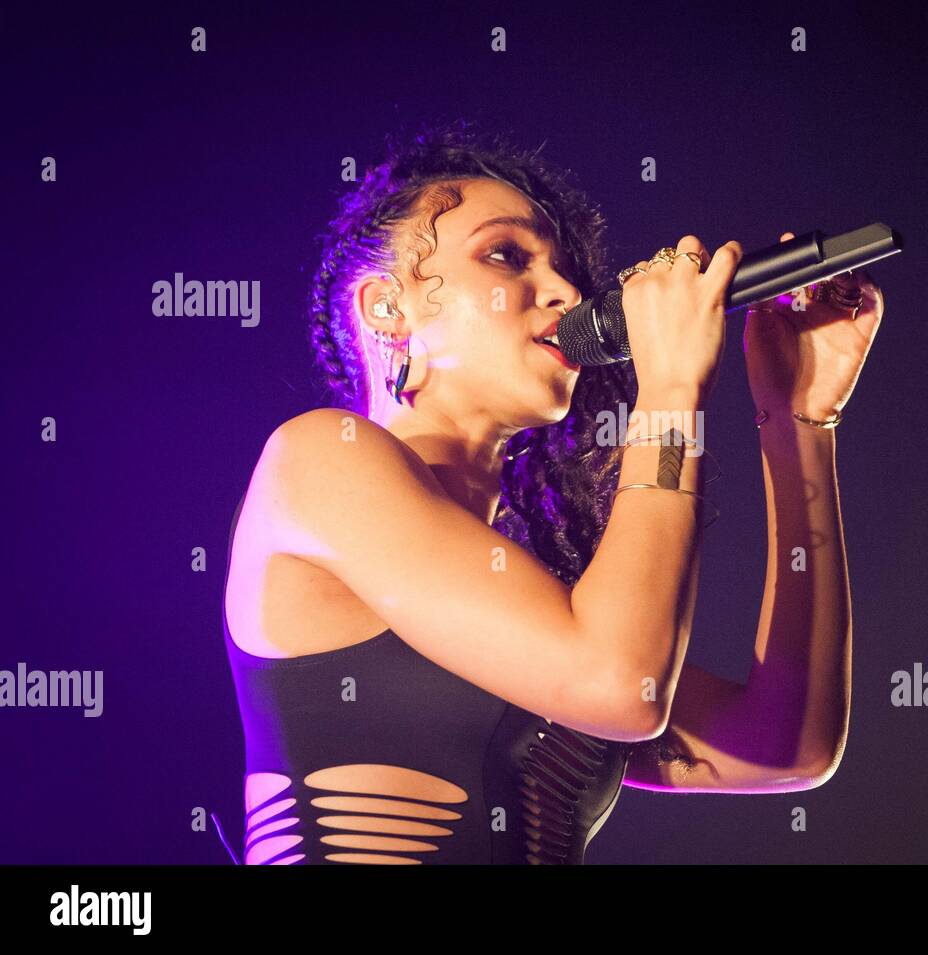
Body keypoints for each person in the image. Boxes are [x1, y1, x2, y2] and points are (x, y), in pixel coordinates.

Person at [220, 120, 884, 865]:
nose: (566, 290)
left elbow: (784, 743)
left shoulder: (539, 593)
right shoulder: (317, 460)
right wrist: (669, 387)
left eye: (565, 265)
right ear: (388, 307)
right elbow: (620, 681)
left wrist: (797, 421)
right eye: (506, 255)